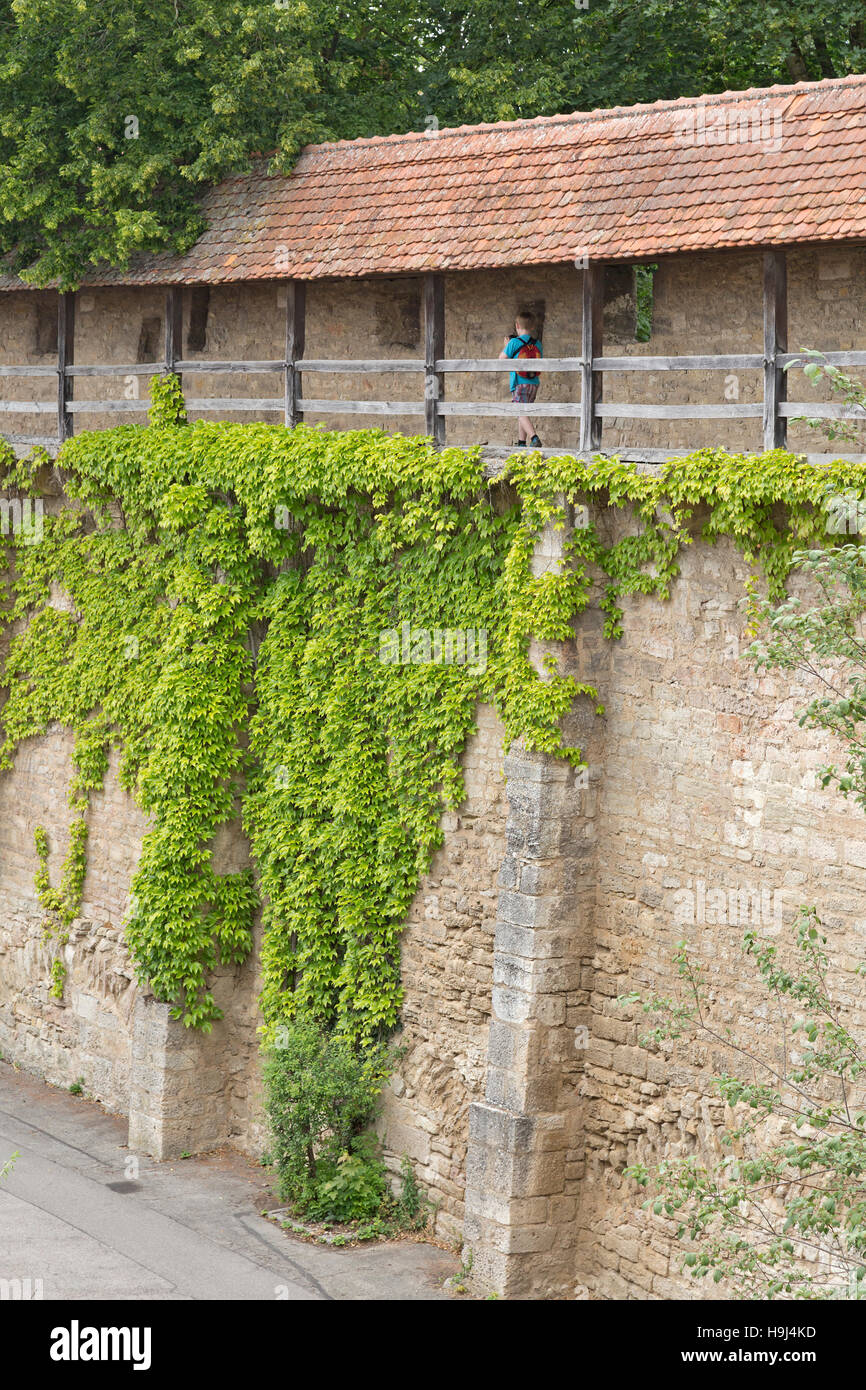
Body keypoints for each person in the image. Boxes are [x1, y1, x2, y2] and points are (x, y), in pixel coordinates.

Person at [499, 312, 543, 448]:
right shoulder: (537, 343)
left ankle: (534, 438)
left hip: (519, 383)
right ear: (532, 326)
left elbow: (501, 359)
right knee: (523, 412)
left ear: (517, 325)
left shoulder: (513, 342)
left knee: (519, 411)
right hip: (533, 383)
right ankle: (521, 442)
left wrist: (506, 345)